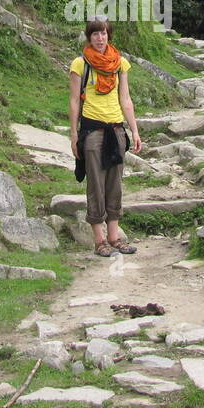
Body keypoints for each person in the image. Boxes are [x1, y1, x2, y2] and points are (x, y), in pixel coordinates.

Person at [69, 18, 142, 256]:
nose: (100, 38)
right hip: (92, 131)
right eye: (95, 34)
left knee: (115, 184)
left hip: (117, 130)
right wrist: (73, 134)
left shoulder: (120, 64)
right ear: (89, 37)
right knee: (96, 185)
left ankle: (114, 236)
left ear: (109, 36)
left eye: (103, 34)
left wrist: (134, 130)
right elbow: (73, 102)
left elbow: (126, 99)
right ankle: (99, 240)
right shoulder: (80, 64)